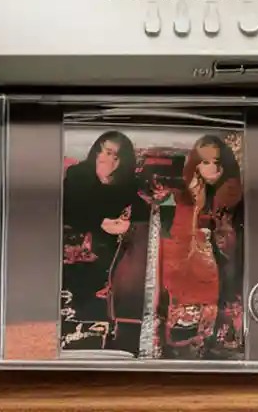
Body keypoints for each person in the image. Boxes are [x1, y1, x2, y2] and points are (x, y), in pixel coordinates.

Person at [60, 130, 147, 352]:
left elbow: (142, 212)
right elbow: (65, 209)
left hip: (109, 253)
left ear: (122, 160)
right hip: (74, 250)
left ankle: (102, 339)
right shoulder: (78, 174)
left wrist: (129, 225)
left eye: (112, 154)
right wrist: (99, 222)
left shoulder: (129, 184)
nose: (104, 157)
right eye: (102, 150)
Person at [160, 134, 244, 359]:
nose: (213, 168)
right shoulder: (189, 192)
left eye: (217, 162)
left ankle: (217, 341)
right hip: (191, 267)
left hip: (222, 263)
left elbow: (231, 234)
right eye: (206, 162)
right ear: (196, 165)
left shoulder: (232, 193)